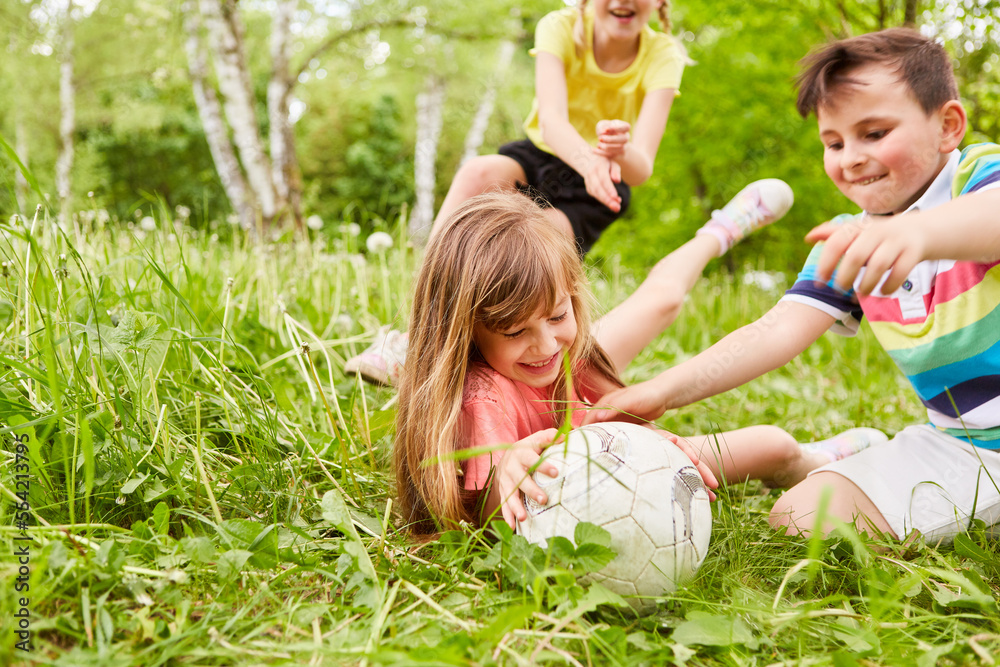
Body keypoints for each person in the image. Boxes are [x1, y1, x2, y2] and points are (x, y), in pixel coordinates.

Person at [584, 28, 1000, 543]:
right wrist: (662, 391)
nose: (850, 158)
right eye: (834, 142)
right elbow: (775, 331)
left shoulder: (981, 180)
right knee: (798, 518)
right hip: (965, 447)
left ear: (948, 126)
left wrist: (915, 232)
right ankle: (848, 455)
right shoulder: (848, 241)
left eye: (874, 134)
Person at [395, 192, 884, 534]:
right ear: (469, 332)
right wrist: (507, 477)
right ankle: (820, 459)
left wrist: (542, 336)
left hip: (578, 393)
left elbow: (550, 339)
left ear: (573, 296)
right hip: (604, 471)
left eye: (558, 313)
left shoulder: (554, 347)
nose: (545, 343)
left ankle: (721, 229)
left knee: (662, 300)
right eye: (515, 331)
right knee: (773, 445)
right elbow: (492, 499)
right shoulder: (484, 397)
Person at [347, 0, 688, 385]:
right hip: (546, 152)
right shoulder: (559, 27)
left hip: (601, 180)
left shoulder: (664, 53)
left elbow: (641, 166)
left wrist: (617, 150)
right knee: (480, 171)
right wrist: (586, 158)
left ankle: (522, 364)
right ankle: (415, 338)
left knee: (540, 238)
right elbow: (553, 120)